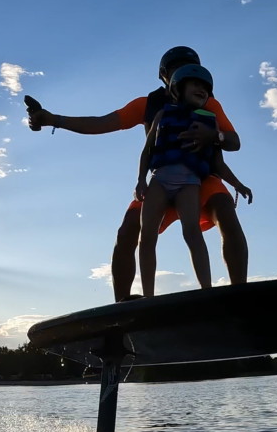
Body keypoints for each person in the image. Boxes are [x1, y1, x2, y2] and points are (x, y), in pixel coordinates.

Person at [27, 47, 249, 301]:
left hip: (200, 178)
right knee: (128, 231)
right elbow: (101, 123)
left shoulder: (208, 102)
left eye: (193, 69)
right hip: (162, 179)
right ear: (165, 75)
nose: (189, 76)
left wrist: (215, 136)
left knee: (225, 210)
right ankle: (123, 309)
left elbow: (233, 141)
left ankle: (238, 296)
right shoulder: (148, 105)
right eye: (180, 69)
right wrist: (52, 119)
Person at [136, 65, 250, 297]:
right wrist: (140, 180)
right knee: (147, 234)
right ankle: (148, 297)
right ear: (179, 88)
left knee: (192, 232)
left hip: (189, 184)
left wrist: (237, 184)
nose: (202, 90)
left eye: (205, 89)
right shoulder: (162, 115)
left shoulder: (210, 123)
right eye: (195, 84)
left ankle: (206, 290)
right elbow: (147, 150)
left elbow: (218, 163)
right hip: (161, 179)